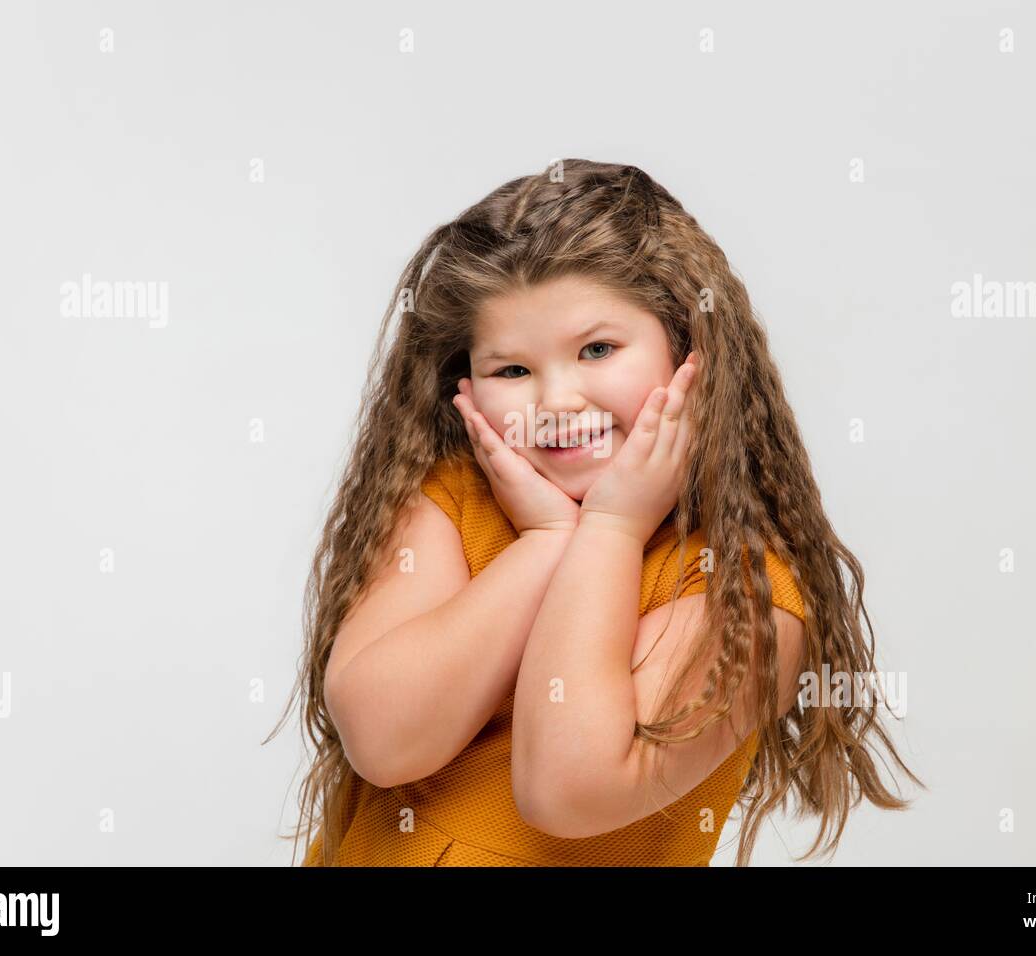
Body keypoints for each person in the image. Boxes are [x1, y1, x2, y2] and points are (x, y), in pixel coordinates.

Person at [270, 159, 924, 866]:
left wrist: (610, 531)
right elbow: (383, 739)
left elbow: (567, 788)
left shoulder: (743, 588)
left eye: (598, 350)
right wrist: (548, 541)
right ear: (466, 384)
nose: (557, 402)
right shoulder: (450, 504)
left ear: (690, 349)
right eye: (511, 370)